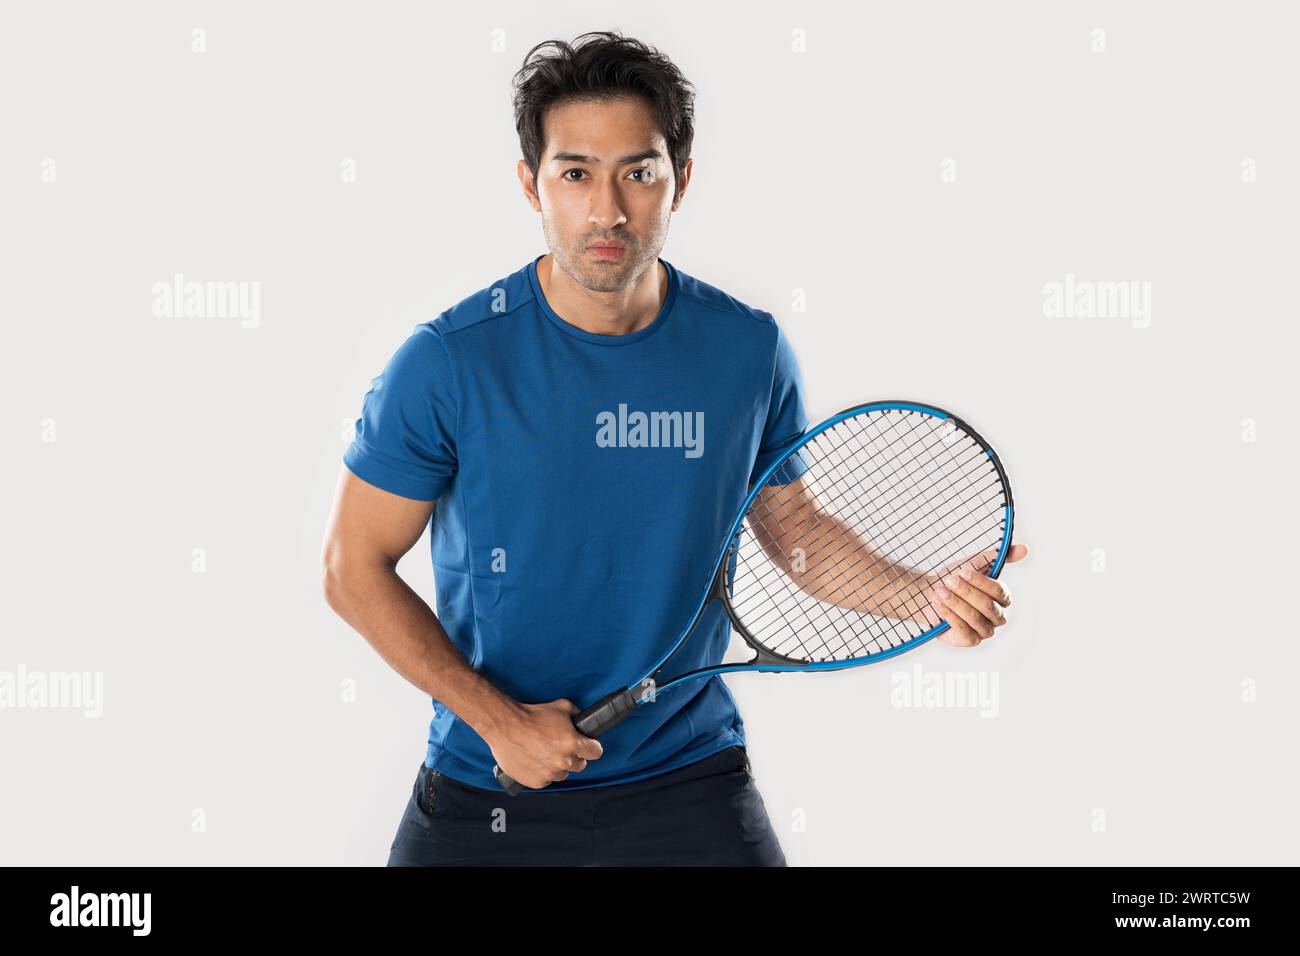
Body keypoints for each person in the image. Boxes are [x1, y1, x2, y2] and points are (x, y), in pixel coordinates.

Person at [321, 31, 1023, 867]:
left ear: (680, 181)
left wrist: (924, 600)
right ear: (530, 185)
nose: (608, 210)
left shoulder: (746, 352)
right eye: (575, 173)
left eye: (639, 172)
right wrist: (500, 720)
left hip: (689, 785)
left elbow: (795, 537)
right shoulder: (448, 362)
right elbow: (351, 567)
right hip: (489, 789)